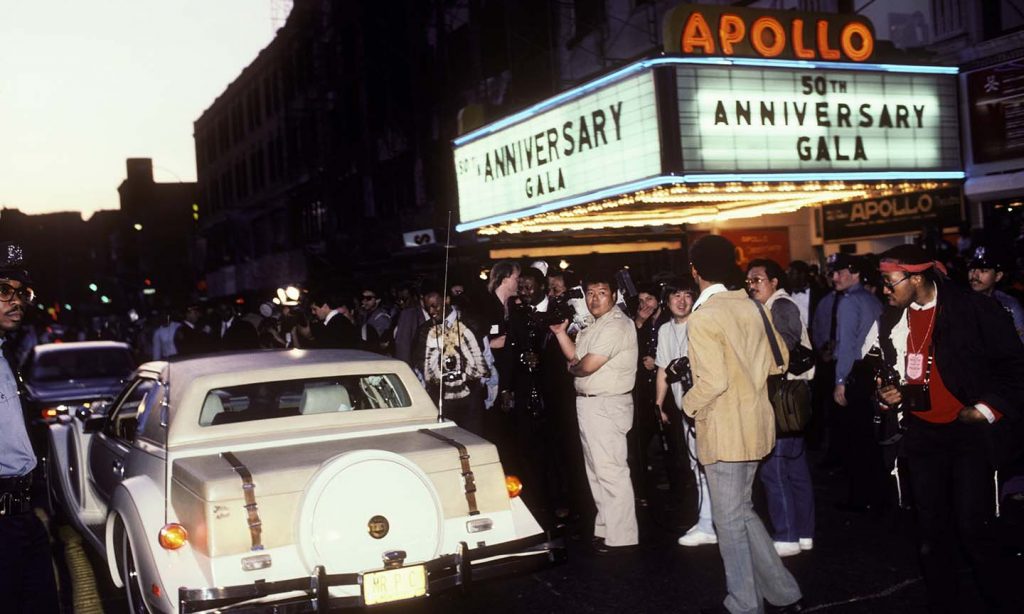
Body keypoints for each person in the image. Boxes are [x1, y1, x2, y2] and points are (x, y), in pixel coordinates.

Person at [873, 244, 1024, 613]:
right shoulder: (893, 318)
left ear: (917, 277)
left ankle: (1005, 602)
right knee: (930, 532)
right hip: (923, 434)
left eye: (890, 282)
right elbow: (894, 370)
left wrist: (986, 409)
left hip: (967, 434)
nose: (884, 290)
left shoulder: (974, 309)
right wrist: (890, 395)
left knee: (974, 528)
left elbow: (1015, 368)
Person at [682, 235, 803, 614]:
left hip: (725, 431)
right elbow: (779, 362)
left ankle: (744, 604)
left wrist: (688, 404)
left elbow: (713, 383)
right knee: (742, 511)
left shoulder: (704, 317)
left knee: (728, 520)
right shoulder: (753, 307)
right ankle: (784, 593)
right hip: (757, 426)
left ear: (695, 271)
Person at [549, 272, 639, 554]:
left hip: (607, 404)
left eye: (601, 292)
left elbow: (585, 366)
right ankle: (606, 529)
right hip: (589, 403)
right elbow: (575, 356)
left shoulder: (616, 325)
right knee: (597, 472)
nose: (595, 298)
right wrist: (560, 333)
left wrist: (573, 369)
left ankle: (623, 536)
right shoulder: (594, 325)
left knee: (611, 471)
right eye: (590, 293)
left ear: (613, 295)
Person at [0, 242, 60, 612]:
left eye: (23, 293)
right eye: (3, 290)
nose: (17, 300)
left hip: (21, 515)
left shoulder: (6, 355)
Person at [746, 259, 815, 558]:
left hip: (781, 397)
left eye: (758, 279)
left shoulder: (781, 306)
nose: (752, 285)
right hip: (792, 395)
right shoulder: (774, 306)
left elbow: (781, 349)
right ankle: (804, 533)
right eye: (749, 280)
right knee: (795, 467)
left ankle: (786, 534)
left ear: (775, 282)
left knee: (774, 469)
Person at [811, 253, 883, 511]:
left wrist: (840, 380)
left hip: (854, 373)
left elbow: (847, 345)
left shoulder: (849, 302)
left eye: (840, 272)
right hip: (870, 372)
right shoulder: (871, 299)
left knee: (853, 441)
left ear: (855, 273)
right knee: (867, 439)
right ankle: (874, 495)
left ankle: (859, 498)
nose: (834, 277)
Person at [653, 281, 716, 547]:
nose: (681, 301)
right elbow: (662, 370)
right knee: (696, 466)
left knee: (709, 467)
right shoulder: (666, 330)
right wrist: (658, 403)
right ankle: (706, 521)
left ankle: (711, 523)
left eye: (686, 295)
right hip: (684, 411)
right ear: (666, 302)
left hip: (707, 408)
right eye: (675, 296)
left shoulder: (701, 324)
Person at [967, 244, 1024, 342]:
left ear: (998, 276)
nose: (974, 275)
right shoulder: (959, 303)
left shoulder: (1009, 305)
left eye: (983, 270)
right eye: (972, 269)